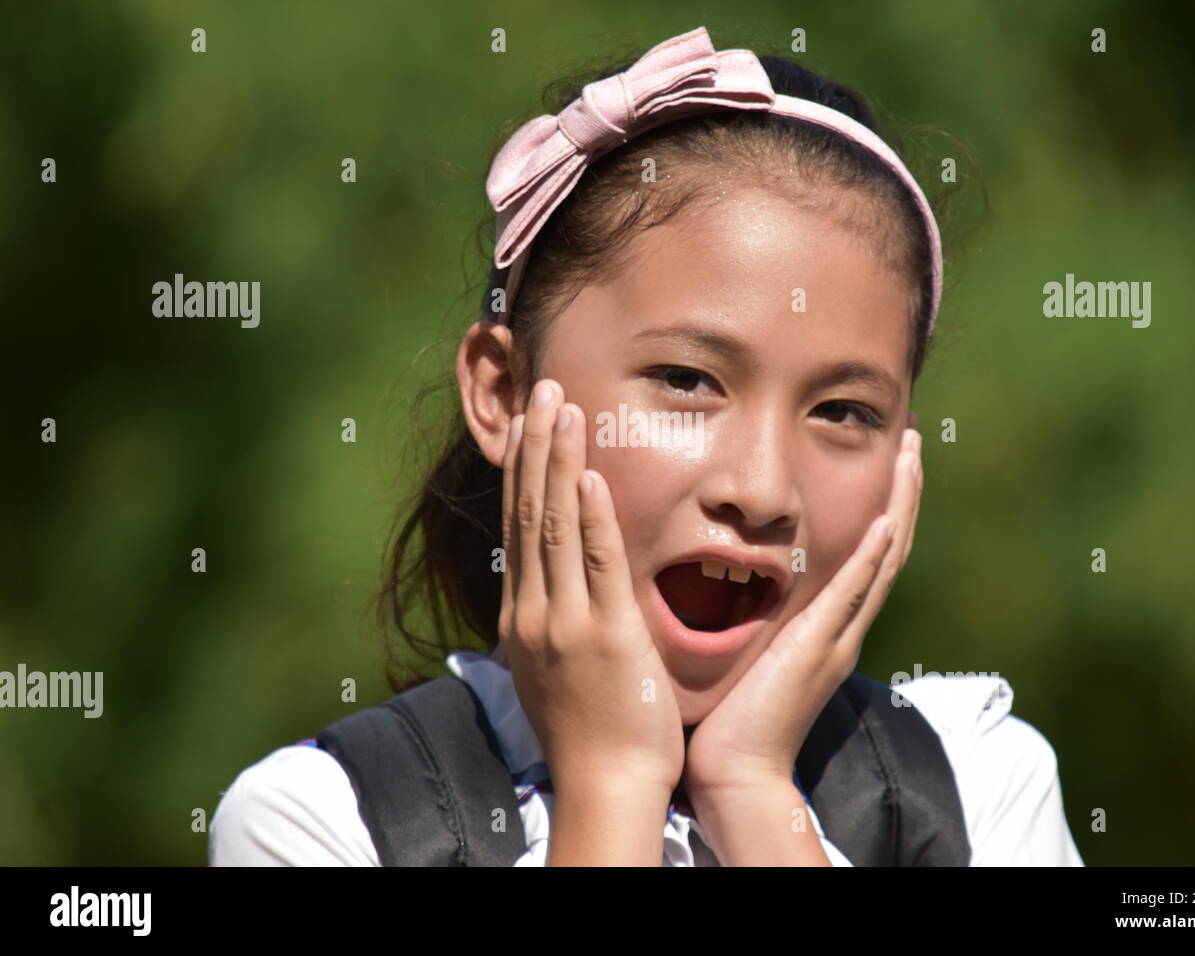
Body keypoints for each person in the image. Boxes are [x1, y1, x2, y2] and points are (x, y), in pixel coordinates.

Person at [209, 25, 1084, 866]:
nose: (764, 489)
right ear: (503, 393)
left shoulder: (972, 786)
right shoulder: (335, 821)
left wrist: (751, 793)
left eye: (843, 411)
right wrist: (611, 789)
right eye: (687, 380)